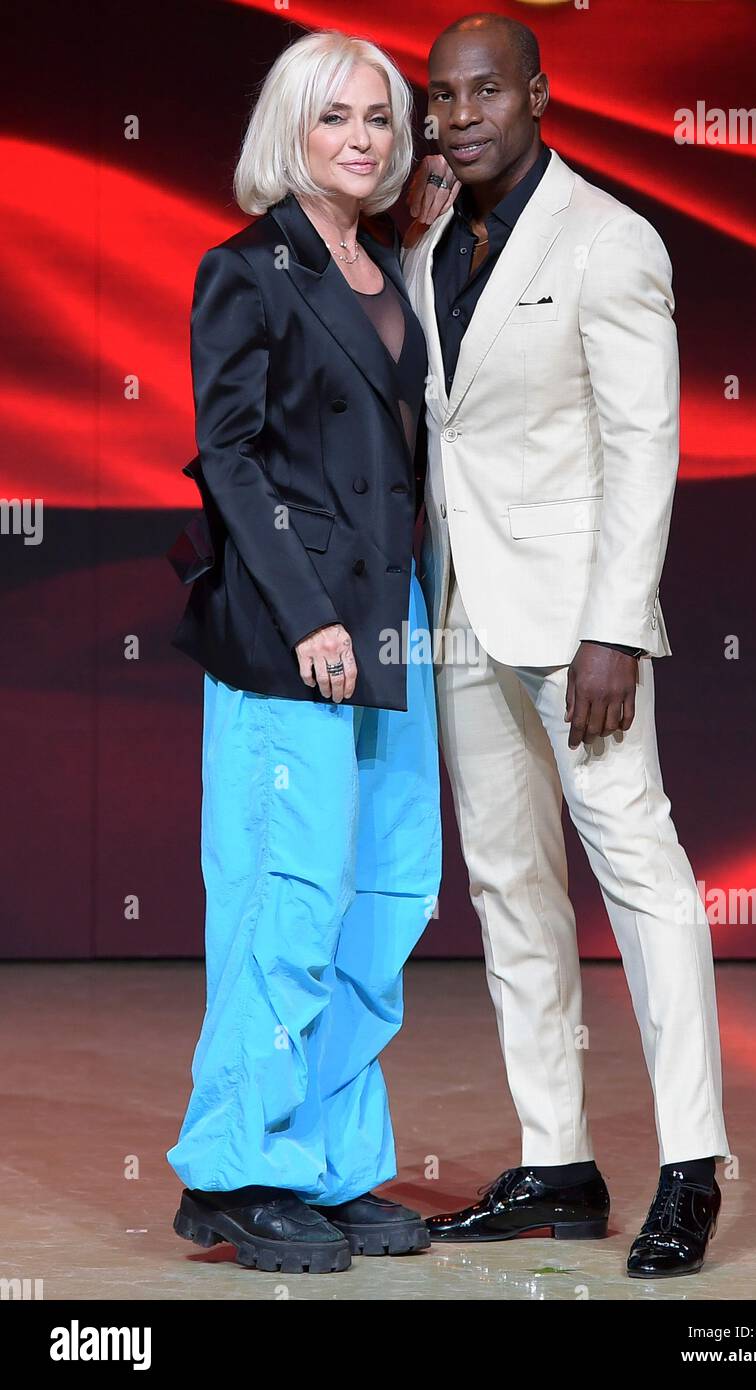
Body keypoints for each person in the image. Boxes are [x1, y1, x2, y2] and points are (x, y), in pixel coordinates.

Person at [402, 12, 731, 1278]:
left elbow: (644, 444)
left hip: (577, 630)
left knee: (638, 871)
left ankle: (691, 1164)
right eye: (442, 95)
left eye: (485, 90)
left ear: (538, 93)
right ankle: (558, 1164)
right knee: (505, 884)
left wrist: (613, 627)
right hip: (462, 619)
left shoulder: (608, 239)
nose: (459, 113)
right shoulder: (432, 243)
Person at [164, 30, 447, 1274]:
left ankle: (325, 1163)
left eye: (379, 119)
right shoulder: (245, 270)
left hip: (396, 626)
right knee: (285, 901)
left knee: (383, 898)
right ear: (291, 128)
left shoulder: (389, 266)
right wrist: (306, 611)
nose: (361, 140)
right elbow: (228, 460)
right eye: (336, 118)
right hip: (297, 636)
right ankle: (236, 1167)